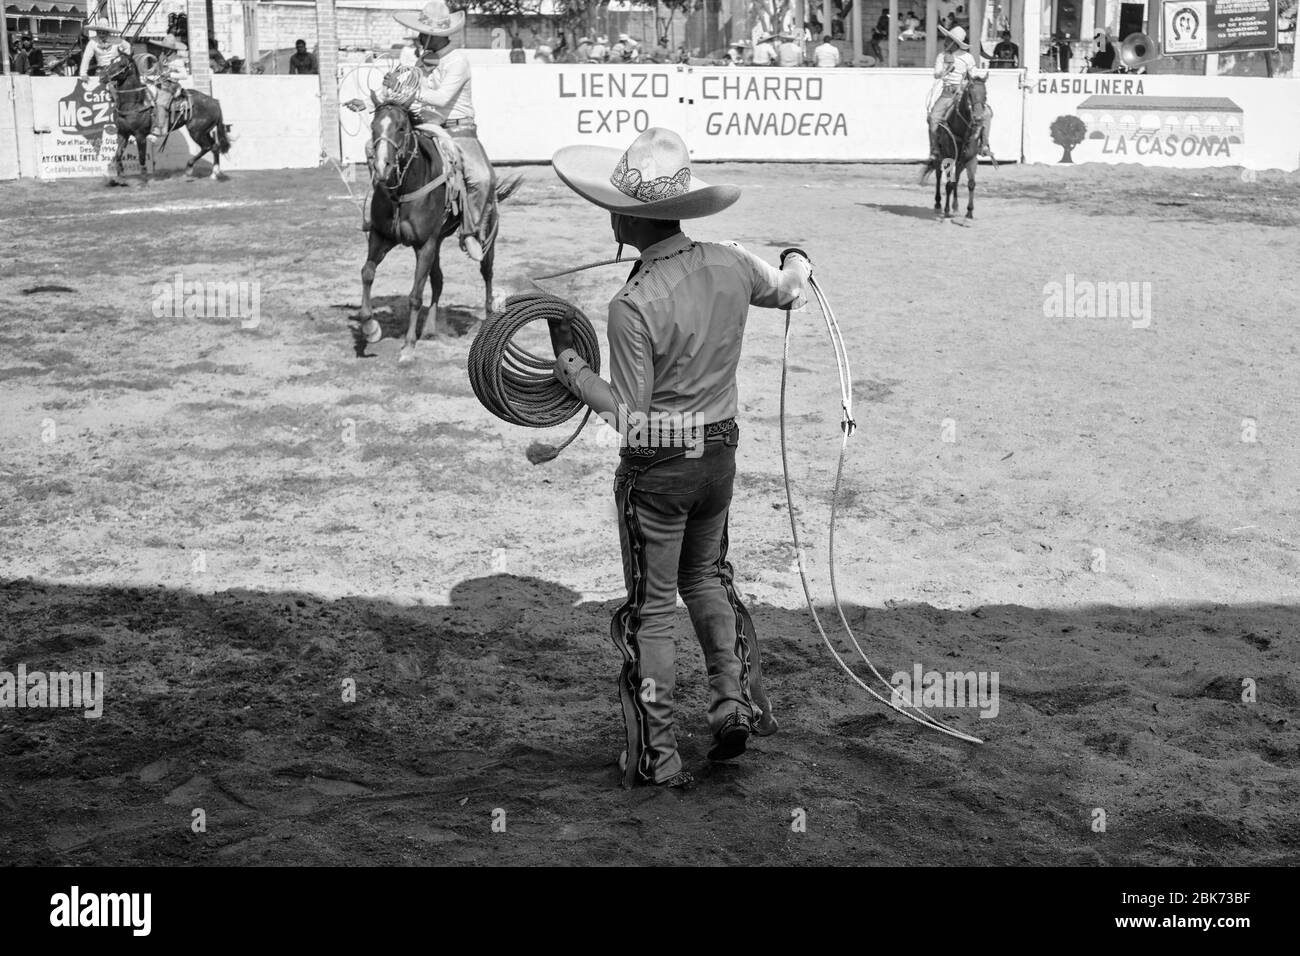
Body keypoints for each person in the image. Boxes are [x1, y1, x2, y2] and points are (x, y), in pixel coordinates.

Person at [545, 127, 810, 789]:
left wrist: (574, 373)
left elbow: (631, 418)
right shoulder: (729, 262)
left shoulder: (632, 304)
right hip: (718, 456)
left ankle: (659, 756)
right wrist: (798, 259)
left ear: (630, 217)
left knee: (655, 608)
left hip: (660, 469)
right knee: (707, 580)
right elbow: (788, 288)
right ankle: (731, 702)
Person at [377, 1, 497, 262]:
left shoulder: (458, 61)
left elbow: (442, 98)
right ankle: (381, 216)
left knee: (482, 177)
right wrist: (374, 98)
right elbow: (399, 92)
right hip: (425, 123)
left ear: (436, 35)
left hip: (459, 129)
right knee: (384, 151)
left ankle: (470, 230)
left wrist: (408, 88)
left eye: (422, 32)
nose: (418, 37)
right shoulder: (419, 59)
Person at [927, 25, 990, 161]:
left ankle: (984, 145)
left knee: (986, 114)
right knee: (933, 118)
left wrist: (972, 82)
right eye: (946, 39)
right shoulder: (942, 56)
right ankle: (935, 149)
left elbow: (973, 75)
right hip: (947, 93)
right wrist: (945, 71)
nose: (945, 42)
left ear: (955, 43)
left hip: (962, 93)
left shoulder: (967, 57)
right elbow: (936, 75)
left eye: (948, 40)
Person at [148, 35, 191, 143]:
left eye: (166, 49)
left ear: (172, 50)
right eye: (163, 48)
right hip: (160, 83)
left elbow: (184, 75)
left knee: (160, 102)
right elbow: (157, 71)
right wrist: (150, 76)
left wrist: (170, 74)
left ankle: (158, 130)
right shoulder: (162, 58)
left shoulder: (178, 61)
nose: (164, 50)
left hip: (171, 87)